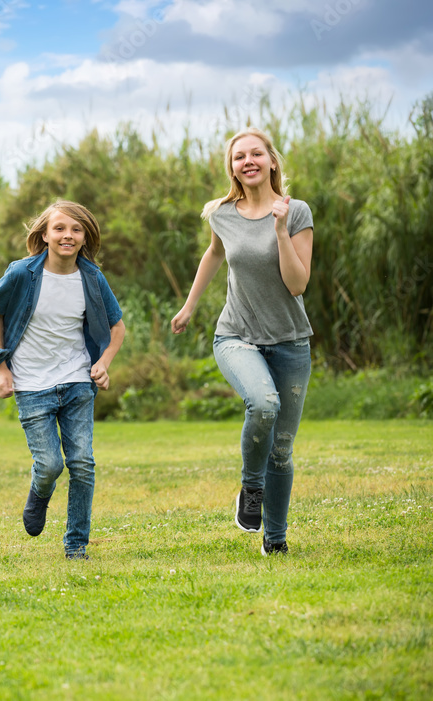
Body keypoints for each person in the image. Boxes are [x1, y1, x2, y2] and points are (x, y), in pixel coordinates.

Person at [171, 127, 314, 556]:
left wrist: (281, 230)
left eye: (256, 154)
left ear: (272, 161)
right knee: (264, 404)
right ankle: (251, 489)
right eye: (239, 157)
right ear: (232, 167)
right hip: (236, 334)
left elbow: (297, 284)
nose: (247, 161)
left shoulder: (297, 212)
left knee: (282, 451)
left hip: (290, 341)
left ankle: (275, 540)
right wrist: (190, 305)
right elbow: (215, 253)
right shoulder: (222, 214)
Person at [0, 200, 126, 560]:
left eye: (76, 229)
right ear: (44, 234)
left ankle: (76, 544)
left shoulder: (92, 278)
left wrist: (104, 363)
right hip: (31, 384)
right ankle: (40, 492)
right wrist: (1, 368)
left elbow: (117, 327)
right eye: (60, 228)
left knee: (82, 463)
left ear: (84, 237)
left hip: (77, 380)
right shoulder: (22, 273)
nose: (68, 235)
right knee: (49, 465)